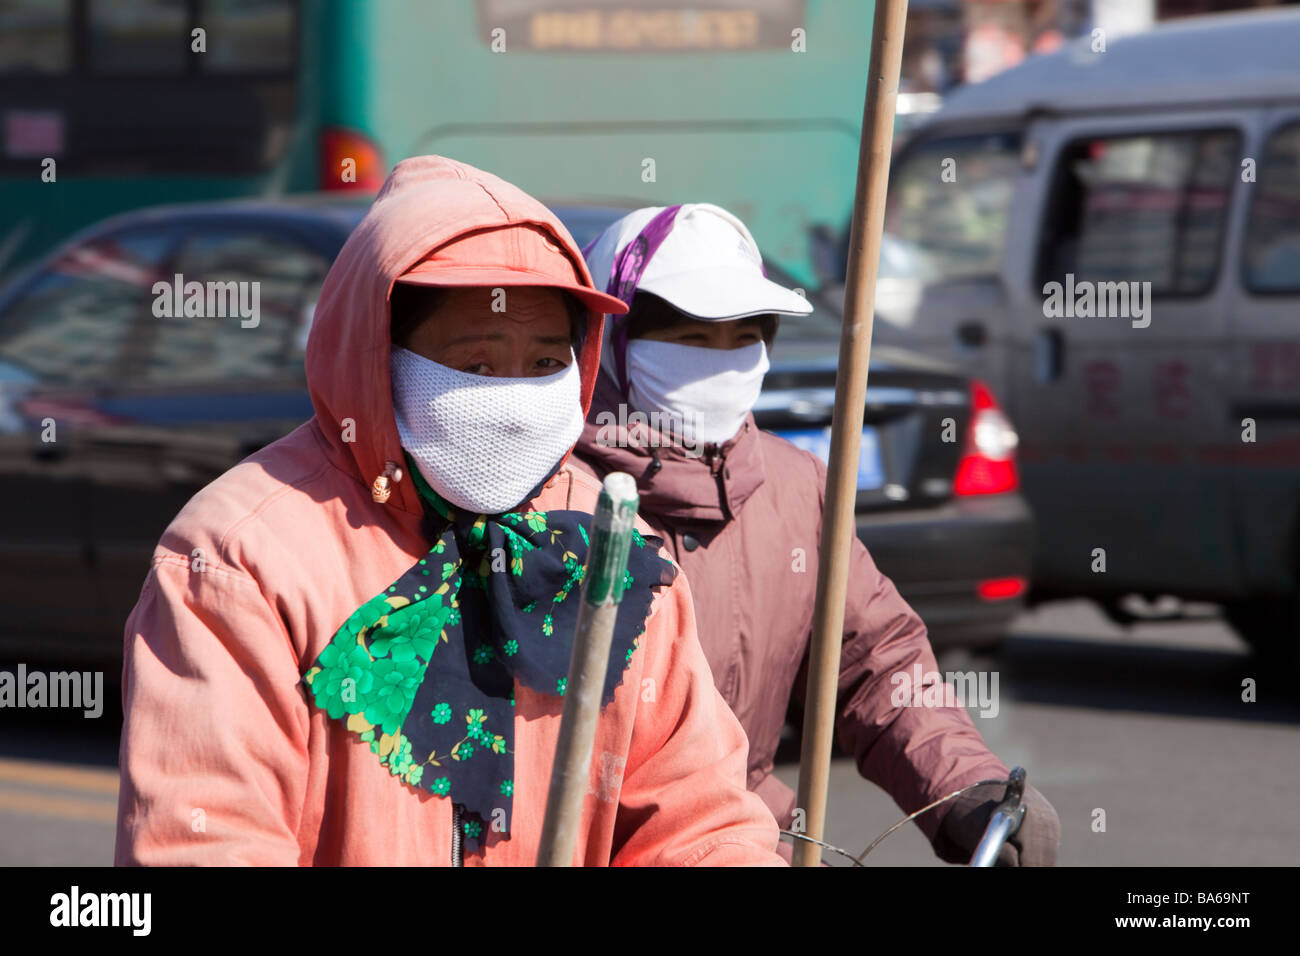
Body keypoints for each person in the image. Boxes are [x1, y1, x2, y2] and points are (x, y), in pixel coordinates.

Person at [114, 159, 785, 867]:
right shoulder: (238, 560)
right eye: (480, 365)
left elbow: (701, 823)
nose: (519, 400)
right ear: (379, 356)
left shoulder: (611, 551)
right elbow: (205, 843)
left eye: (544, 362)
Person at [574, 203, 1061, 865]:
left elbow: (877, 662)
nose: (722, 364)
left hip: (746, 845)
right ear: (612, 338)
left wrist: (964, 788)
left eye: (743, 339)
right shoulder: (552, 493)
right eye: (692, 340)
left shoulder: (795, 486)